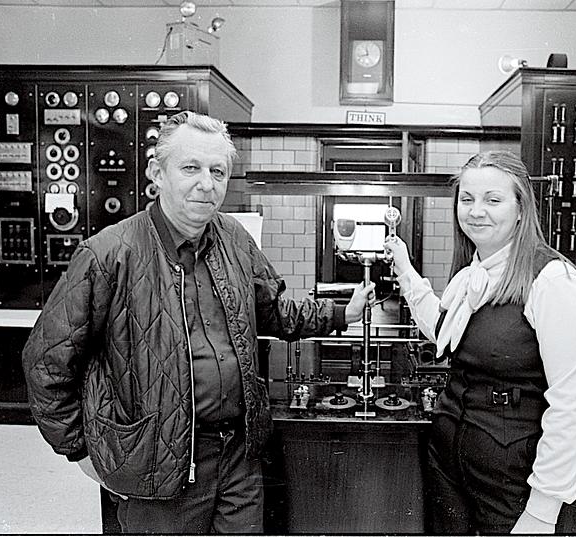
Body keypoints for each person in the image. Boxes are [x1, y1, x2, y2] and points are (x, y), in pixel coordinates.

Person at [22, 110, 375, 534]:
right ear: (157, 173)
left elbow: (272, 310)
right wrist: (80, 452)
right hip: (156, 464)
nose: (207, 184)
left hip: (238, 457)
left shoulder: (235, 239)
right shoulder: (108, 255)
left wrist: (340, 313)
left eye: (217, 171)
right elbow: (46, 364)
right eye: (191, 168)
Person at [384, 150, 576, 534]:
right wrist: (405, 269)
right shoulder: (472, 275)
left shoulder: (554, 282)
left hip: (509, 475)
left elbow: (571, 406)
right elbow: (444, 329)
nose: (476, 211)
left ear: (521, 209)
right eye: (467, 199)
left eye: (493, 200)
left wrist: (543, 510)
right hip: (448, 458)